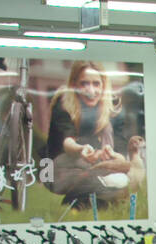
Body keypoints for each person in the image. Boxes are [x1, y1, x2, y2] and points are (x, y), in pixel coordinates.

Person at [45, 61, 134, 199]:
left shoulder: (113, 106)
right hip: (63, 164)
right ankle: (96, 189)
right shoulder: (63, 103)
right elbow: (67, 140)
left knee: (124, 174)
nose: (91, 91)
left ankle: (98, 189)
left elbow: (120, 145)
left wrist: (115, 156)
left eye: (96, 84)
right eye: (84, 83)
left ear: (104, 84)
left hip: (96, 163)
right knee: (89, 176)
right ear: (74, 84)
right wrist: (80, 150)